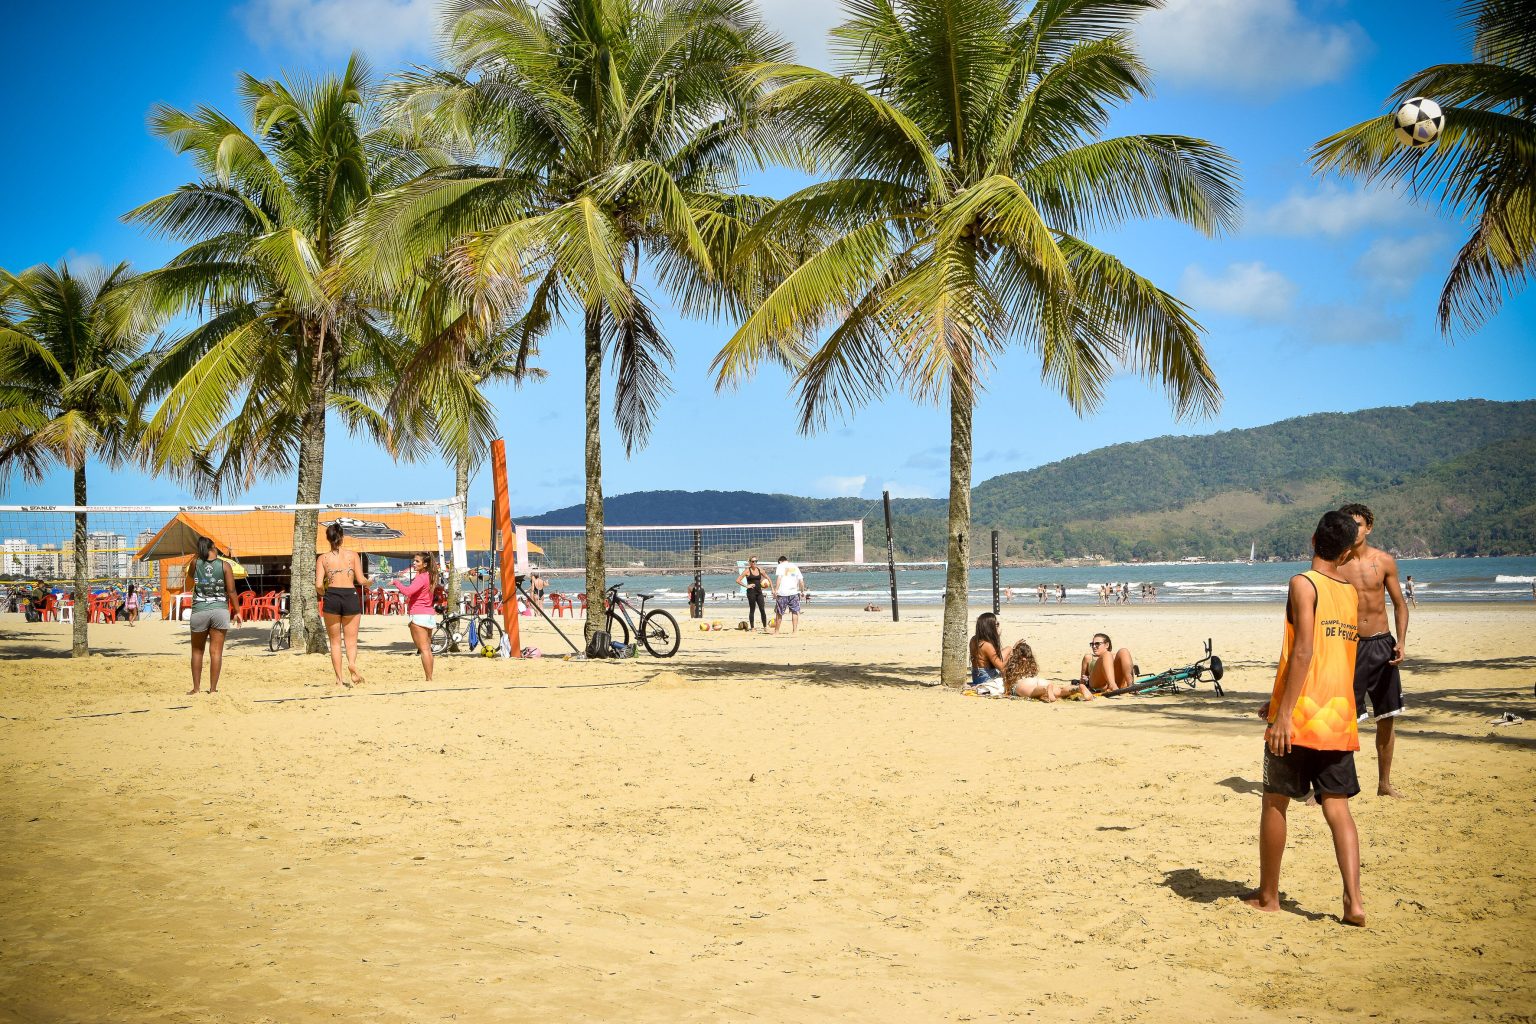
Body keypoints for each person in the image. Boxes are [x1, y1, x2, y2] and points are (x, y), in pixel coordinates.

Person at [1245, 510, 1366, 927]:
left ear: (1313, 539)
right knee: (1338, 809)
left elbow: (1304, 651)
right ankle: (1354, 902)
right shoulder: (1350, 592)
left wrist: (1282, 714)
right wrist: (1275, 696)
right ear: (1348, 550)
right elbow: (1332, 656)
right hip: (1338, 716)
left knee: (1275, 801)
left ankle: (1268, 897)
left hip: (1298, 719)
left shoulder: (1303, 583)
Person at [1335, 503, 1410, 799]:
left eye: (1359, 524)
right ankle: (1336, 785)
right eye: (1348, 525)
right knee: (1344, 719)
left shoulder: (1385, 561)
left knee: (1387, 716)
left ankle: (1384, 784)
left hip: (1382, 644)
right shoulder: (1335, 564)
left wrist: (1401, 640)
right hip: (1349, 646)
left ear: (1369, 527)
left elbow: (1400, 605)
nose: (1354, 530)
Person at [316, 522, 371, 688]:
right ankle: (352, 663)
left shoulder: (322, 558)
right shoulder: (353, 555)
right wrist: (370, 582)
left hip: (332, 596)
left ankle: (339, 680)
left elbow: (318, 585)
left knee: (334, 643)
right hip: (350, 596)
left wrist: (325, 594)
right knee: (351, 641)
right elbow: (361, 580)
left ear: (328, 538)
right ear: (342, 537)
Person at [187, 536, 241, 695]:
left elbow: (191, 577)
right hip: (220, 610)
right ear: (212, 547)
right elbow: (231, 591)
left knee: (197, 651)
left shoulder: (195, 563)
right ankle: (212, 689)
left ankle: (196, 689)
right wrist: (237, 611)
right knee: (216, 652)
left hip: (199, 610)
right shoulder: (225, 565)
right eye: (215, 546)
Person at [396, 551, 439, 682]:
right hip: (429, 614)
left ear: (425, 564)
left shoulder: (421, 578)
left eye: (417, 561)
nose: (414, 563)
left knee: (424, 649)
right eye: (414, 561)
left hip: (419, 615)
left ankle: (429, 679)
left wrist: (397, 583)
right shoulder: (430, 576)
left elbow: (408, 591)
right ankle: (429, 678)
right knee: (427, 649)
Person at [1002, 639, 1080, 701]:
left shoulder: (1011, 666)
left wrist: (1013, 649)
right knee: (1060, 691)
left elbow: (1002, 663)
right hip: (1037, 680)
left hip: (1021, 684)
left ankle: (1045, 689)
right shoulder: (1030, 666)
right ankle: (1078, 688)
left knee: (1033, 691)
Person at [967, 612, 1006, 695]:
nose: (998, 626)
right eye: (997, 624)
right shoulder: (987, 645)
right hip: (986, 679)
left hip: (976, 677)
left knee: (1009, 649)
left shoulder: (974, 639)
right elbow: (1001, 667)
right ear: (990, 627)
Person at [771, 555, 806, 635]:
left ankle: (777, 631)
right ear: (787, 560)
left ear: (780, 561)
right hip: (794, 593)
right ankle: (794, 631)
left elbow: (779, 579)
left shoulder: (780, 566)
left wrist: (775, 591)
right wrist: (802, 591)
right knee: (795, 611)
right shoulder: (795, 566)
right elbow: (801, 581)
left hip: (783, 593)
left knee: (779, 612)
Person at [736, 558, 771, 631]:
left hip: (759, 592)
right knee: (752, 609)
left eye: (756, 561)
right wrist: (746, 586)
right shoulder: (747, 570)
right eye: (753, 561)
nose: (754, 562)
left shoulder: (760, 570)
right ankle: (752, 627)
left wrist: (770, 587)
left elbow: (768, 578)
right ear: (750, 562)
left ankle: (765, 627)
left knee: (762, 609)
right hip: (751, 592)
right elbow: (738, 580)